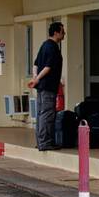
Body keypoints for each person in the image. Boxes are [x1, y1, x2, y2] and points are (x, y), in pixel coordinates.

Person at [26, 22, 65, 152]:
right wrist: (37, 79)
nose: (64, 34)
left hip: (42, 87)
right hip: (48, 86)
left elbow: (35, 64)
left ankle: (41, 141)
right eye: (62, 31)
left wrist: (35, 78)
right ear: (56, 33)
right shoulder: (53, 47)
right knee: (47, 114)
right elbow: (48, 67)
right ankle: (45, 142)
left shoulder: (44, 45)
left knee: (41, 114)